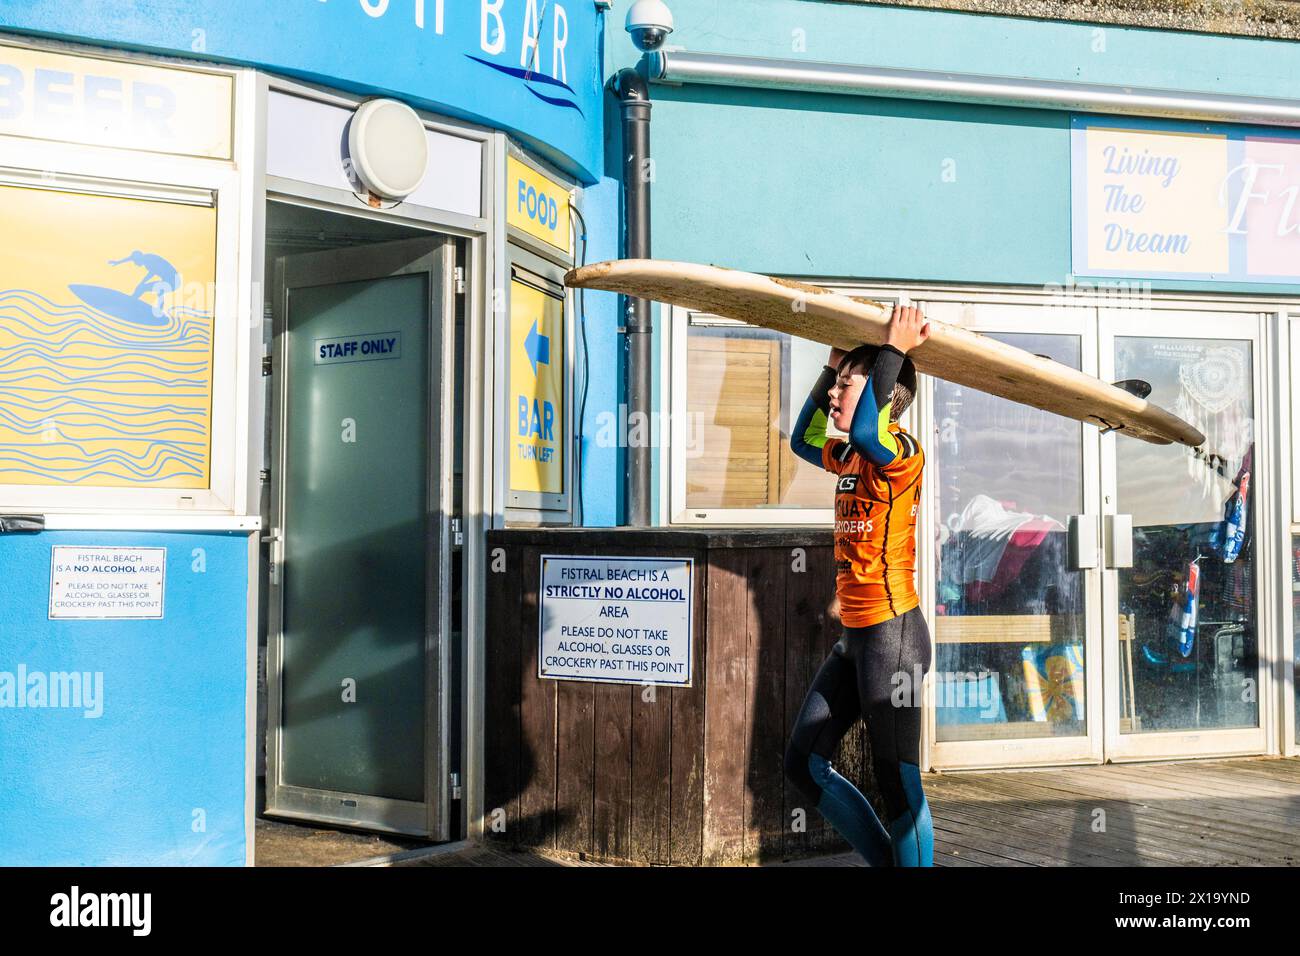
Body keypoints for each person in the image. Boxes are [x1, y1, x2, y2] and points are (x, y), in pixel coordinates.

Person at [784, 304, 934, 867]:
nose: (833, 394)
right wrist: (829, 367)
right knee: (804, 764)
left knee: (896, 781)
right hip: (856, 639)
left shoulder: (900, 452)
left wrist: (894, 350)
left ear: (880, 392)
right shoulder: (848, 455)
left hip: (894, 637)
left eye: (846, 384)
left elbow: (870, 425)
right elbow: (802, 440)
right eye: (836, 384)